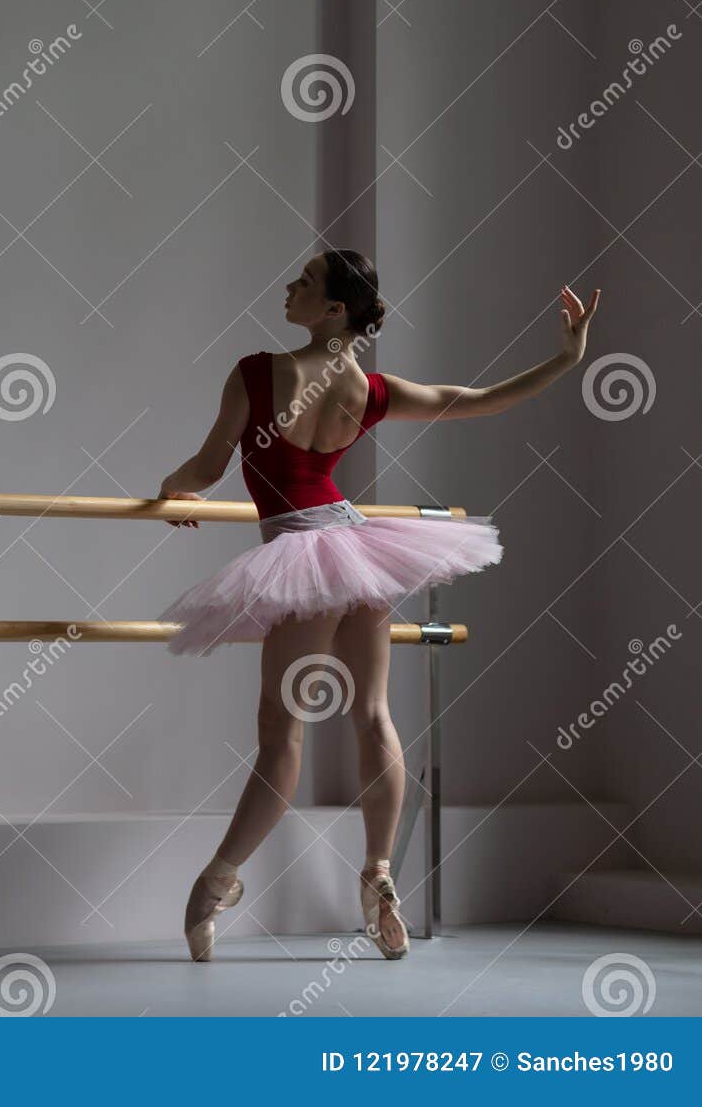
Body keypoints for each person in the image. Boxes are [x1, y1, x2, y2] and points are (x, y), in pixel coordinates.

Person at [155, 251, 600, 963]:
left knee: (281, 735)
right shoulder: (370, 389)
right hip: (357, 548)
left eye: (303, 283)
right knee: (371, 716)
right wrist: (565, 360)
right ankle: (380, 874)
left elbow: (208, 468)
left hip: (303, 555)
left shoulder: (255, 372)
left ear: (334, 310)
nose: (288, 287)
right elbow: (476, 399)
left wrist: (169, 489)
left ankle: (215, 884)